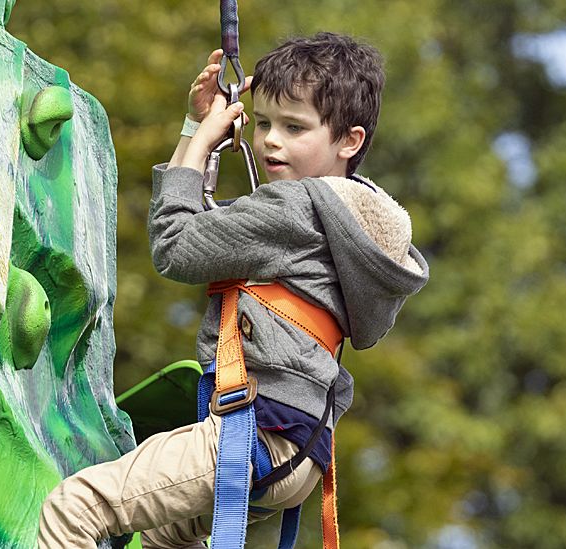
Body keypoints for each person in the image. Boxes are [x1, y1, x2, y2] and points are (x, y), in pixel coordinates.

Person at [38, 32, 428, 548]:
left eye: (295, 127)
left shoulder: (295, 209)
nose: (270, 140)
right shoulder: (353, 224)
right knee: (160, 539)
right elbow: (208, 231)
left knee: (75, 507)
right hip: (297, 450)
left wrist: (200, 136)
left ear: (349, 140)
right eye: (264, 122)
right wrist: (193, 135)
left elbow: (175, 245)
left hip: (251, 434)